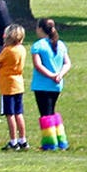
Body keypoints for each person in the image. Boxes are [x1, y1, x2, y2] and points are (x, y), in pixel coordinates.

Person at [31, 15, 72, 150]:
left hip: (42, 84)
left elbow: (38, 65)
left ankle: (50, 143)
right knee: (52, 112)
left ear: (40, 29)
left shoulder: (38, 46)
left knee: (45, 114)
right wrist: (59, 75)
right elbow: (67, 63)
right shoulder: (60, 45)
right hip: (56, 85)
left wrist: (51, 75)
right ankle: (61, 140)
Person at [0, 24, 30, 150]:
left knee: (9, 114)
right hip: (18, 83)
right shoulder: (22, 49)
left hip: (7, 85)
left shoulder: (8, 50)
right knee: (19, 113)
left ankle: (13, 141)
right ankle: (23, 139)